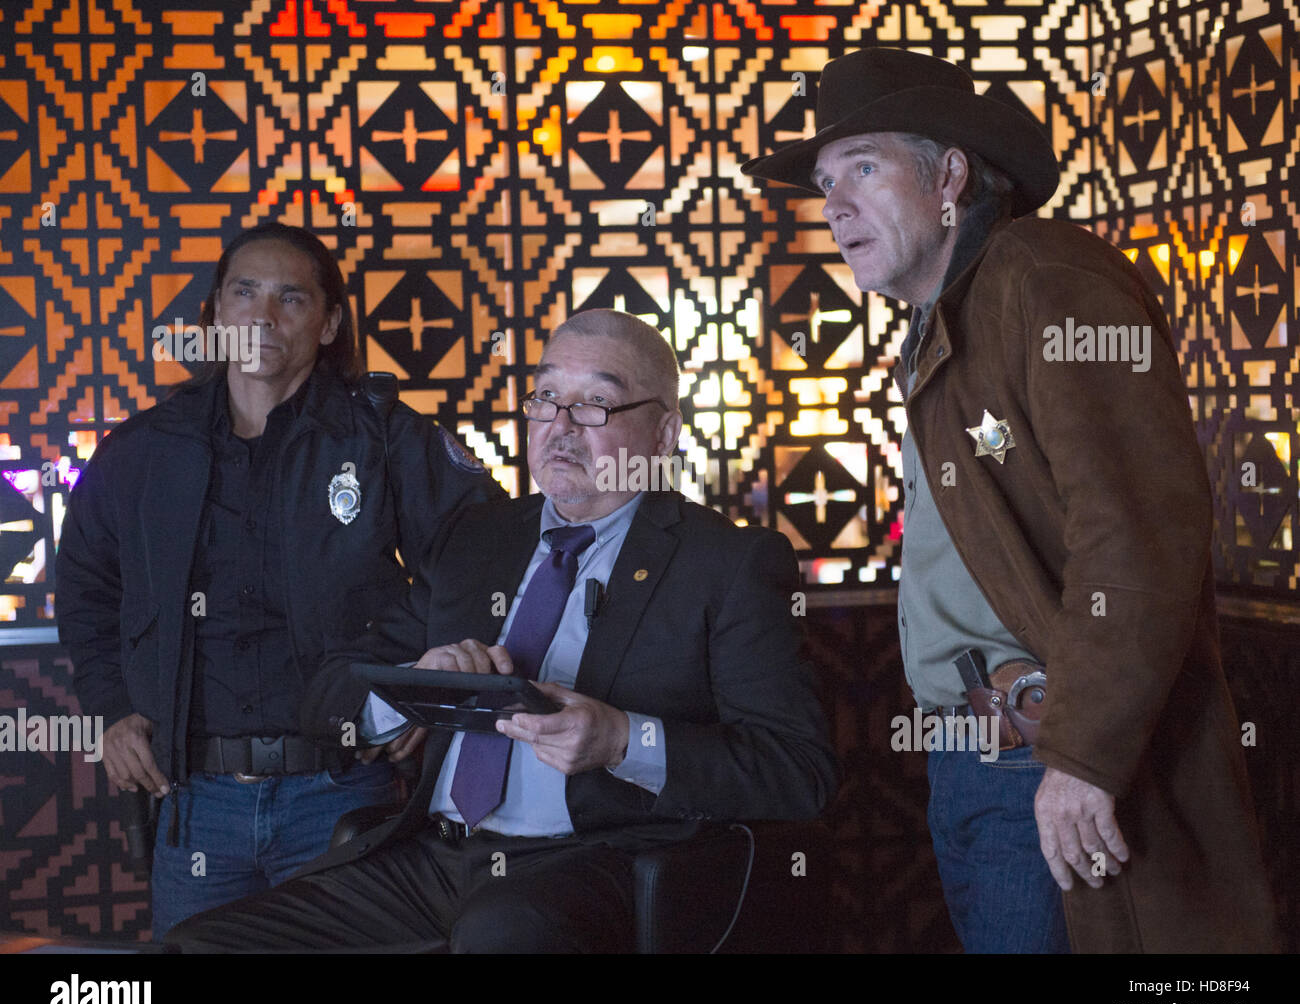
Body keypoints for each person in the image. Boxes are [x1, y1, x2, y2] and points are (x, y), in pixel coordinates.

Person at [743, 47, 1276, 953]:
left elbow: (1139, 536)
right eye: (826, 182)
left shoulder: (1044, 277)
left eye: (862, 167)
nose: (833, 205)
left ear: (949, 173)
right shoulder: (946, 315)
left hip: (1049, 752)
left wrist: (1081, 757)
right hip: (976, 753)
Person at [163, 308, 838, 953]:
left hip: (596, 860)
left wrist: (624, 739)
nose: (561, 426)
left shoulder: (726, 563)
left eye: (595, 404)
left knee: (502, 932)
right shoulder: (476, 542)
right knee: (200, 945)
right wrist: (415, 689)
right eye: (546, 397)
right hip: (433, 858)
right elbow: (333, 691)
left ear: (663, 434)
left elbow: (796, 770)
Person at [56, 222, 504, 939]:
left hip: (342, 795)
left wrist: (417, 679)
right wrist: (109, 707)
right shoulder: (145, 450)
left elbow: (483, 554)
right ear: (215, 314)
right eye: (245, 293)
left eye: (291, 298)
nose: (263, 316)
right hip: (195, 803)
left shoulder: (382, 437)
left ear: (329, 324)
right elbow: (84, 585)